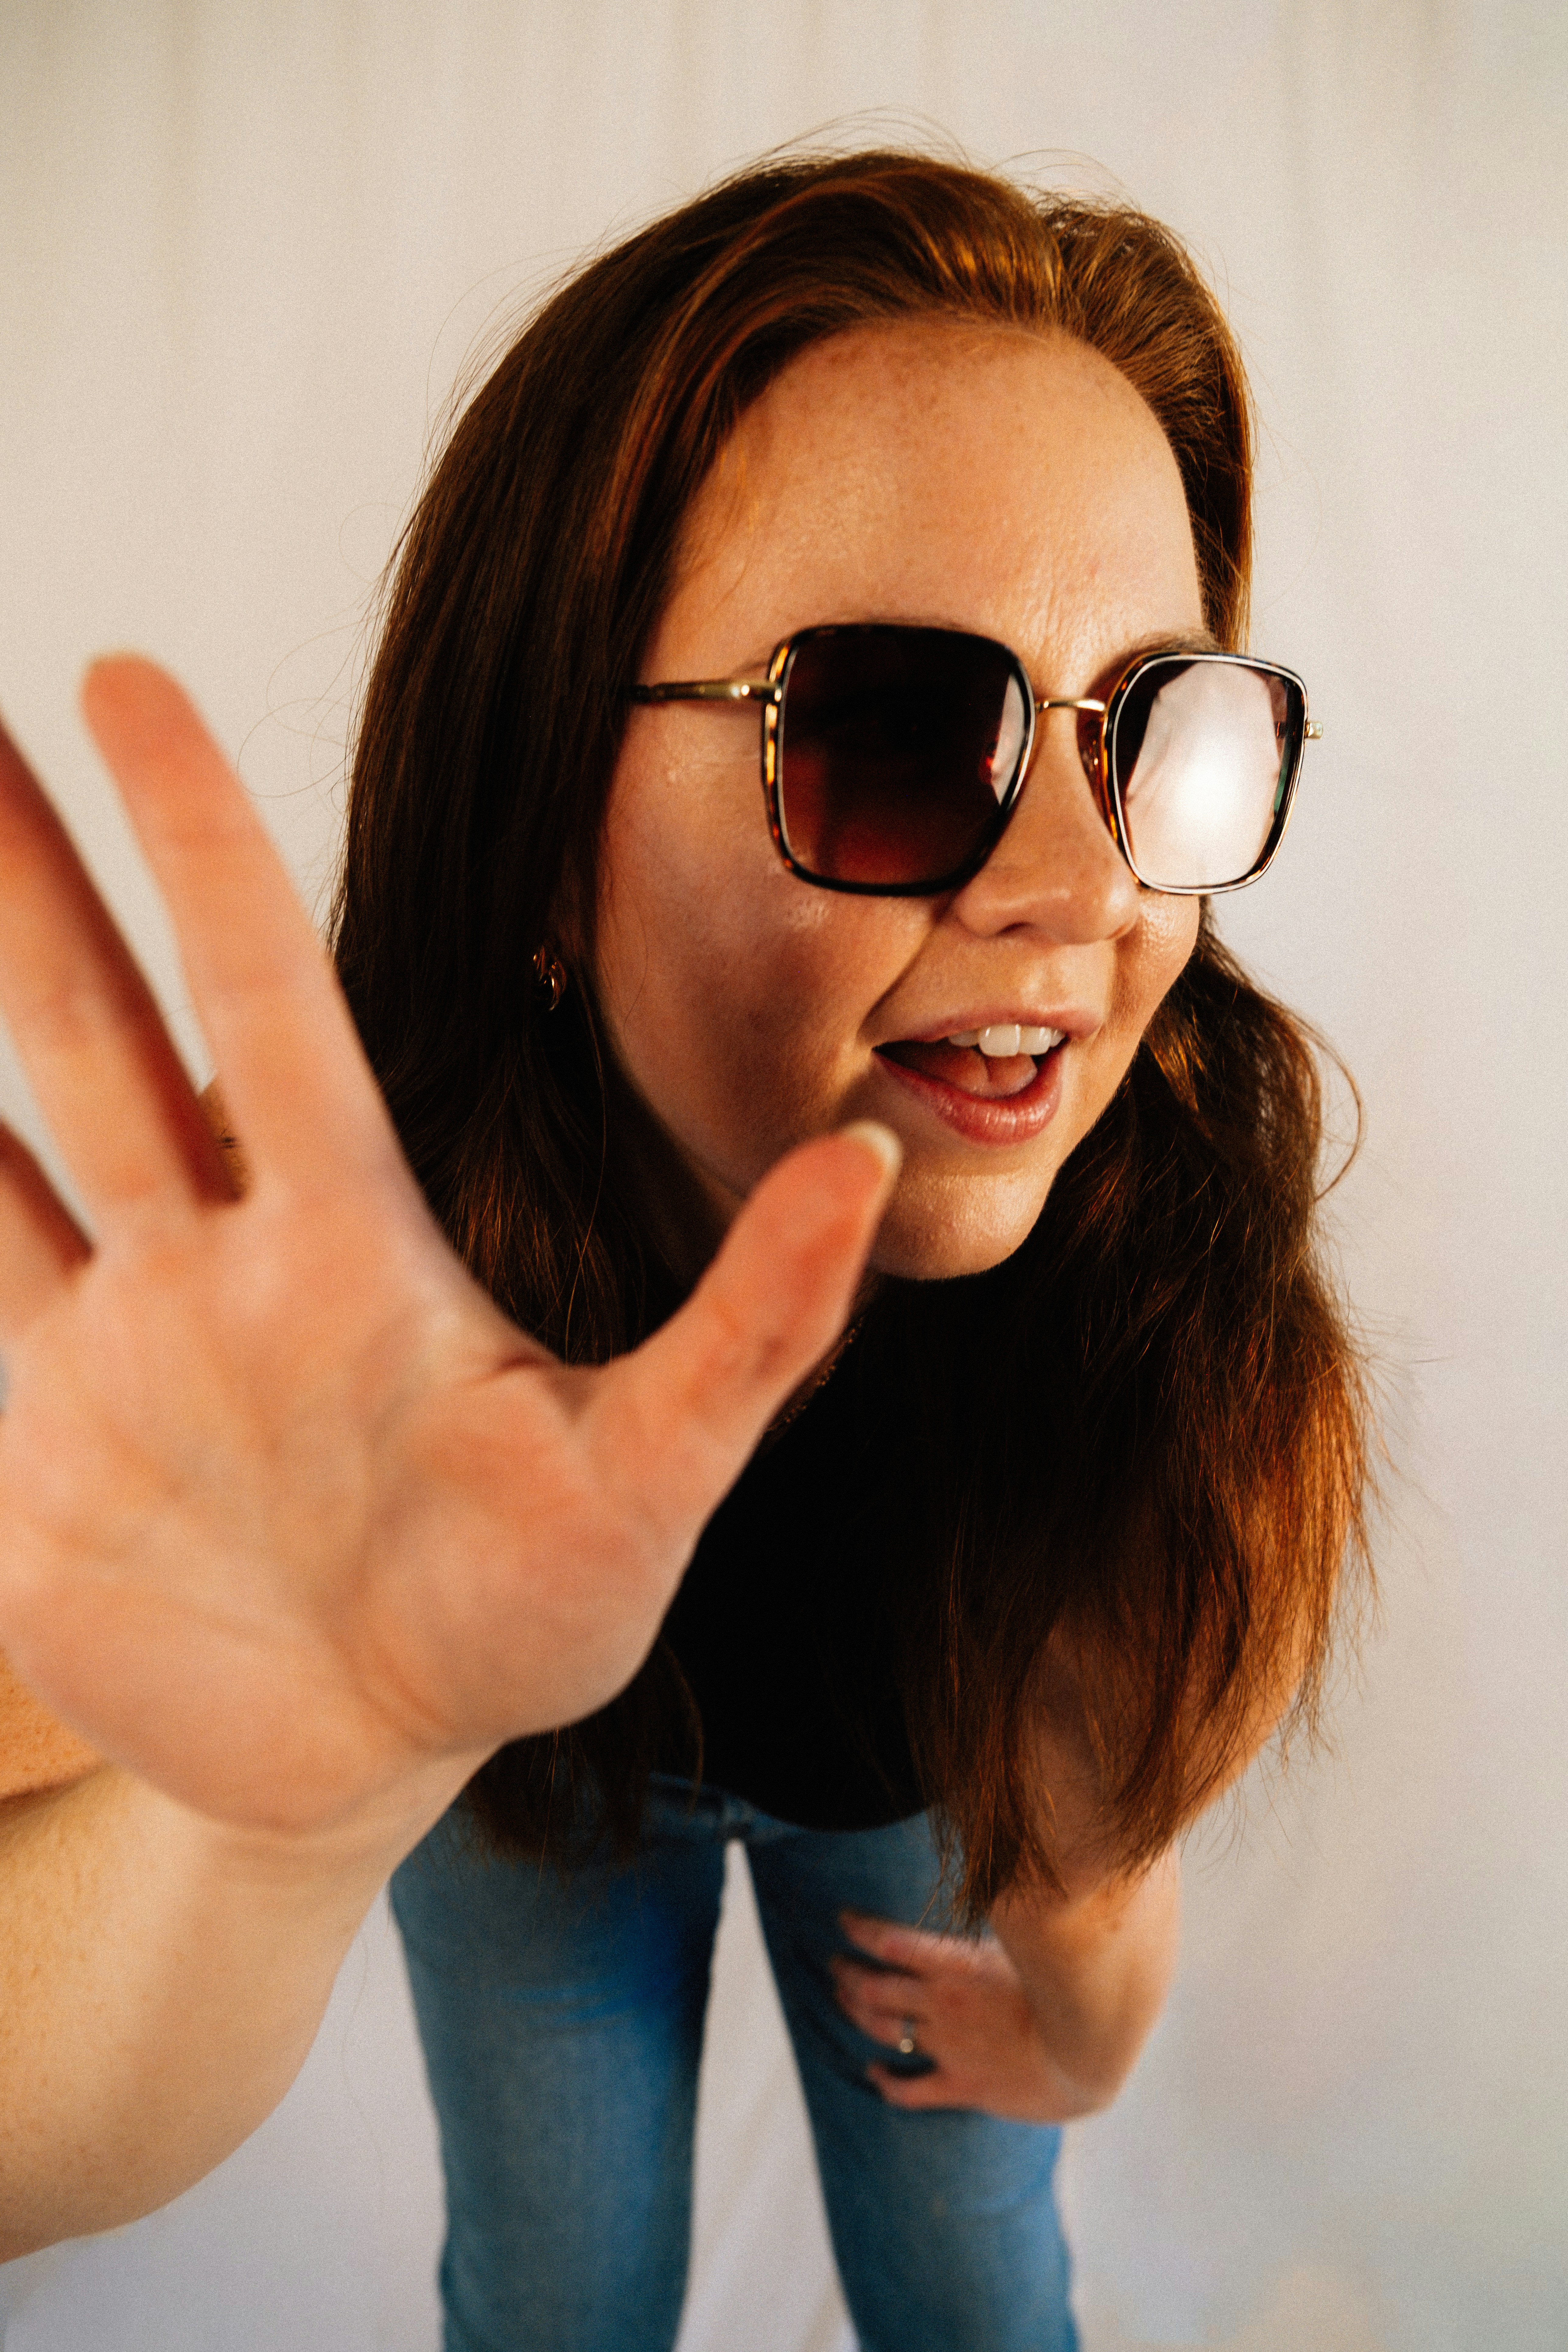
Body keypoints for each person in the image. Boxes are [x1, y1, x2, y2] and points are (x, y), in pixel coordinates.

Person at [0, 151, 1369, 2349]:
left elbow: (1102, 1870)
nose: (1080, 889)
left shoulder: (1143, 1282)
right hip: (545, 1806)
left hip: (902, 1793)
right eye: (896, 730)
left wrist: (1092, 2051)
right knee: (557, 2302)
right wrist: (270, 1817)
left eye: (1154, 731)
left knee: (975, 2284)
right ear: (545, 835)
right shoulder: (319, 1279)